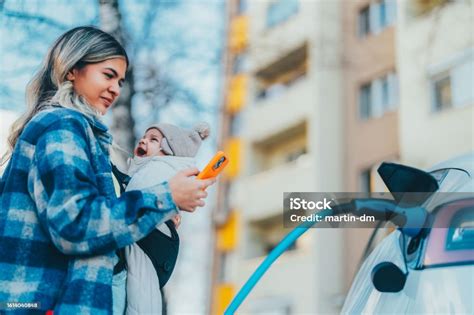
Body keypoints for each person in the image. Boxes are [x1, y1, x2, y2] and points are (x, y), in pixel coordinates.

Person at [0, 26, 214, 314]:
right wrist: (166, 197)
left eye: (121, 81)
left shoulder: (76, 132)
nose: (115, 89)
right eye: (108, 75)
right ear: (73, 70)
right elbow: (75, 224)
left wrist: (154, 213)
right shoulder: (63, 124)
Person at [125, 122, 210, 314]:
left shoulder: (158, 169)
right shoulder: (152, 171)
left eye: (153, 139)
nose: (143, 140)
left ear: (169, 151)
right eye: (144, 137)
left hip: (143, 244)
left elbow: (135, 200)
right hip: (148, 245)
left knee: (139, 292)